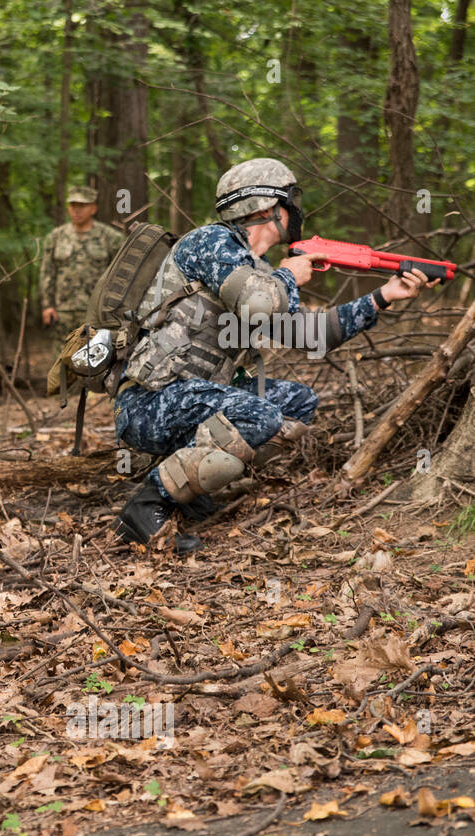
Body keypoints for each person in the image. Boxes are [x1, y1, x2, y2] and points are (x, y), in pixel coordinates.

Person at [112, 158, 437, 552]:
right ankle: (146, 505)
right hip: (149, 402)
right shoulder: (211, 243)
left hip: (195, 399)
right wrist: (288, 275)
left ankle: (190, 485)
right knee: (260, 415)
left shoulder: (256, 269)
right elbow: (258, 305)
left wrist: (383, 297)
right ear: (266, 208)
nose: (296, 211)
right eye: (290, 201)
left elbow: (311, 335)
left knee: (297, 403)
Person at [39, 185, 125, 356]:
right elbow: (47, 272)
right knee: (62, 363)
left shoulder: (111, 237)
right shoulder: (56, 237)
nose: (76, 211)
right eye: (73, 206)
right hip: (63, 313)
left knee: (96, 361)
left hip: (97, 313)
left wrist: (115, 307)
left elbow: (121, 274)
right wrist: (47, 306)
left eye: (82, 206)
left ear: (93, 208)